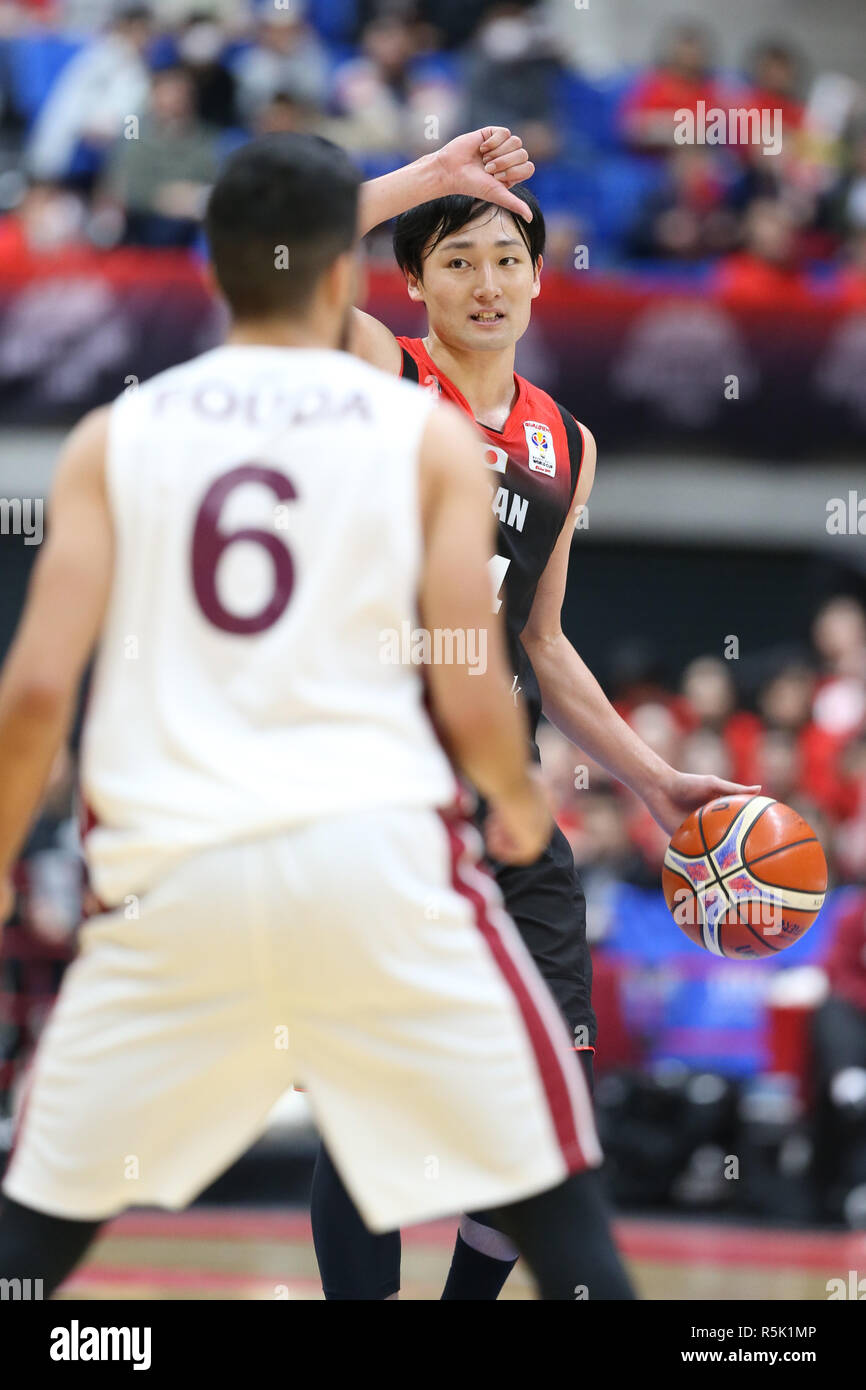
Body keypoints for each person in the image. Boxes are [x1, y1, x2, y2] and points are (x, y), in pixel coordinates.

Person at [0, 129, 634, 1302]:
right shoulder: (410, 424)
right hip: (376, 842)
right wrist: (507, 804)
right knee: (550, 1180)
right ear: (358, 286)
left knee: (36, 1230)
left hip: (174, 863)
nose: (486, 282)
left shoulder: (117, 433)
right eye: (455, 260)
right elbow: (471, 674)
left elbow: (36, 687)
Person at [310, 126, 759, 1299]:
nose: (486, 280)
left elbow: (542, 643)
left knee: (547, 1099)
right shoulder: (378, 369)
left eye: (506, 256)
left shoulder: (570, 439)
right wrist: (426, 182)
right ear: (413, 284)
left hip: (503, 807)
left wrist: (653, 781)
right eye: (456, 258)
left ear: (539, 276)